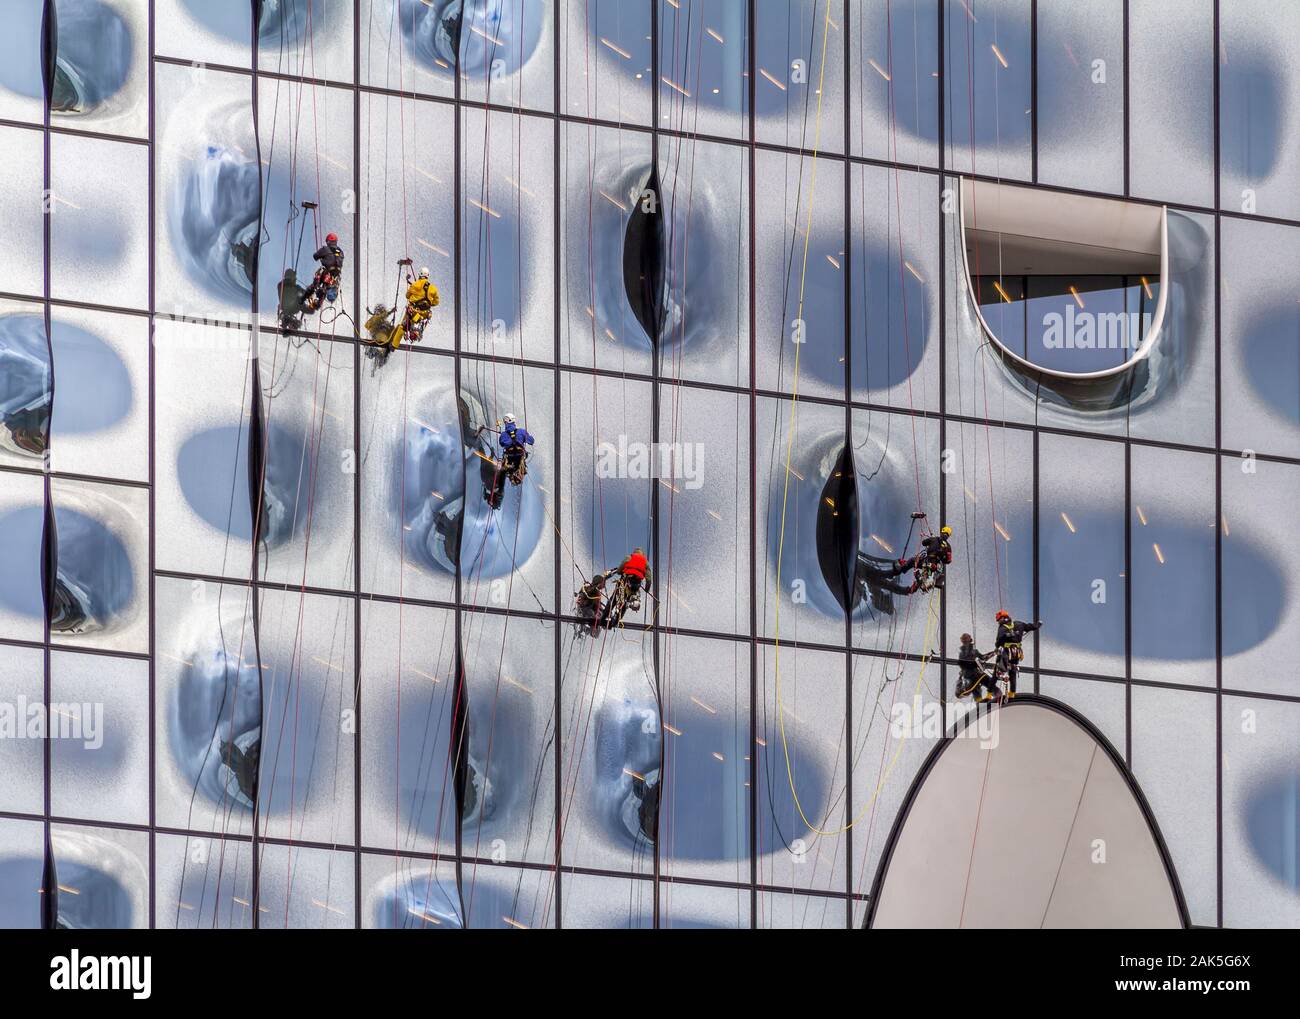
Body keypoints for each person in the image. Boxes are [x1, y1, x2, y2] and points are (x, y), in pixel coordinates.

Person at [992, 610, 1041, 696]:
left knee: (1002, 660)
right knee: (1013, 670)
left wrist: (996, 647)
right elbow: (1030, 627)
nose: (998, 622)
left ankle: (1002, 673)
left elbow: (999, 640)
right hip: (1016, 652)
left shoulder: (1002, 628)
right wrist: (1037, 625)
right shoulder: (1019, 624)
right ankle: (1012, 693)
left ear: (1003, 618)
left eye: (999, 620)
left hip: (1008, 651)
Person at [302, 232, 344, 312]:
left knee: (316, 284)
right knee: (325, 287)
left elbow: (315, 256)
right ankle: (318, 303)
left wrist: (321, 255)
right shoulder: (339, 251)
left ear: (328, 241)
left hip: (327, 272)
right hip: (335, 276)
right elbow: (336, 258)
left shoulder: (325, 249)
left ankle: (304, 297)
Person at [399, 266, 439, 347]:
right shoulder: (433, 288)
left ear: (420, 275)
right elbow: (436, 302)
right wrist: (428, 302)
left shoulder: (415, 285)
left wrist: (415, 292)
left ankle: (410, 331)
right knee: (421, 320)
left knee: (403, 325)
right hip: (425, 313)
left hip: (414, 311)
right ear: (428, 276)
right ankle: (417, 332)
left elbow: (407, 296)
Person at [955, 633, 997, 702]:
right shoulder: (963, 653)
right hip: (971, 678)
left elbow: (983, 658)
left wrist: (994, 653)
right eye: (965, 641)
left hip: (976, 676)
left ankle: (993, 699)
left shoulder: (973, 651)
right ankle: (983, 705)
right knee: (977, 691)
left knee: (985, 687)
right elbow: (965, 662)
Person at [498, 413, 535, 483]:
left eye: (505, 422)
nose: (505, 423)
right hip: (519, 456)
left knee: (505, 467)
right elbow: (531, 441)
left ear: (507, 422)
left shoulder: (503, 434)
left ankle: (509, 473)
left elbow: (501, 444)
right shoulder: (522, 431)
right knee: (521, 464)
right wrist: (527, 437)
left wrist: (505, 437)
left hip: (509, 457)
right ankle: (519, 472)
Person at [613, 547, 650, 612]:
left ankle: (615, 606)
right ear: (642, 554)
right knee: (634, 594)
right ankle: (630, 603)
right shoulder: (645, 562)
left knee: (620, 594)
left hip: (627, 581)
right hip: (637, 583)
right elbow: (649, 579)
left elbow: (619, 569)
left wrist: (620, 572)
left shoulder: (629, 557)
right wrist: (647, 589)